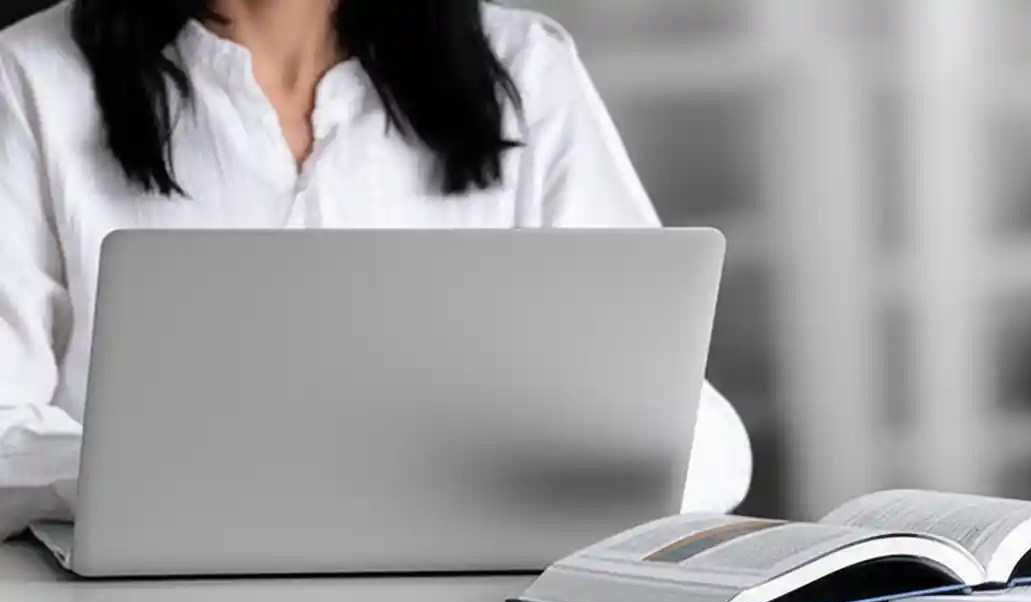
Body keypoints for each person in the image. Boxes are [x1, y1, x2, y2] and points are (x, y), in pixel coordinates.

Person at [0, 0, 752, 540]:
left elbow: (680, 411)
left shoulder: (525, 67)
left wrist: (503, 484)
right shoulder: (33, 75)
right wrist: (186, 476)